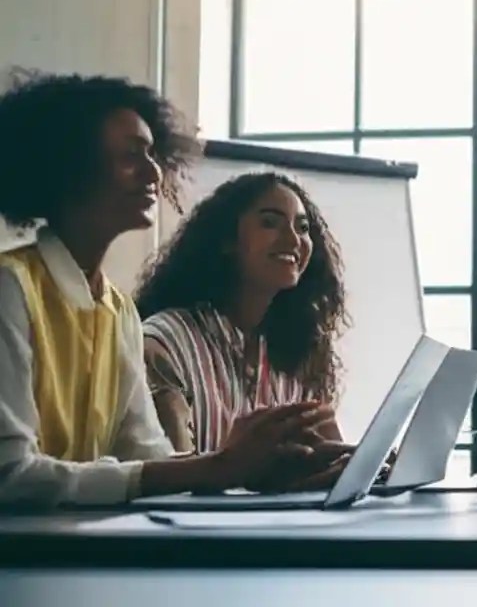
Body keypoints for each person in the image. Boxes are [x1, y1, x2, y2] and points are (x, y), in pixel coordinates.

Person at [0, 71, 335, 508]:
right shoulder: (11, 288)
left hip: (79, 557)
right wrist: (216, 466)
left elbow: (148, 457)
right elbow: (12, 475)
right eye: (131, 156)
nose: (154, 171)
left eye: (154, 154)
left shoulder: (117, 310)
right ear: (70, 166)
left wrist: (258, 471)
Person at [135, 172, 349, 467]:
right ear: (226, 241)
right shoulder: (164, 344)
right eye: (270, 222)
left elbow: (319, 462)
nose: (293, 239)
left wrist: (351, 461)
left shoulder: (299, 353)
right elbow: (171, 476)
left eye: (302, 228)